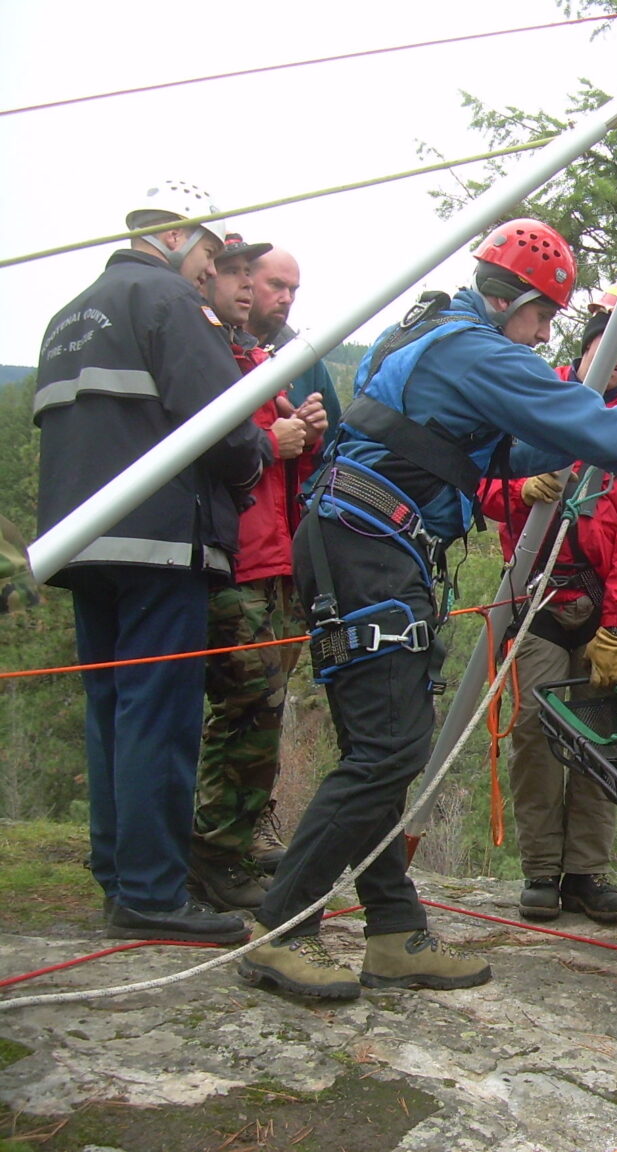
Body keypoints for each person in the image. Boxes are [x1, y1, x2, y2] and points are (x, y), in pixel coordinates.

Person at [238, 219, 617, 1002]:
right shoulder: (472, 350)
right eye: (542, 316)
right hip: (367, 547)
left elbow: (513, 446)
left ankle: (394, 930)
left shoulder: (431, 336)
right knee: (387, 750)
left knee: (385, 744)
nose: (545, 335)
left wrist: (610, 437)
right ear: (508, 299)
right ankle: (283, 927)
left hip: (361, 541)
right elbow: (584, 424)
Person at [32, 181, 268, 944]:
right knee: (159, 717)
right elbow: (224, 423)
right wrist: (259, 458)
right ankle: (153, 893)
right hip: (163, 541)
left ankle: (119, 877)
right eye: (210, 255)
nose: (211, 271)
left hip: (79, 542)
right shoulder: (170, 302)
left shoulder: (67, 317)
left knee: (110, 711)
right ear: (175, 237)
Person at [478, 283, 617, 925]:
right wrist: (515, 490)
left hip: (601, 608)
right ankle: (541, 869)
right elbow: (478, 478)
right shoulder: (534, 399)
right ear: (591, 338)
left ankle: (586, 871)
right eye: (616, 341)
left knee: (597, 736)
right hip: (537, 598)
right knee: (534, 732)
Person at [190, 235, 328, 911]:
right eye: (242, 274)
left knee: (261, 710)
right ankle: (214, 852)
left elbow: (290, 460)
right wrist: (274, 441)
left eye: (263, 278)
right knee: (246, 706)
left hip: (275, 554)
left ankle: (236, 839)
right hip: (235, 558)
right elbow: (216, 449)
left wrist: (307, 435)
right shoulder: (209, 355)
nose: (256, 289)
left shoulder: (262, 359)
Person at [247, 247, 342, 452]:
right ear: (246, 281)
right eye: (276, 285)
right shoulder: (216, 350)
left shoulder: (303, 360)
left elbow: (333, 446)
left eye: (293, 290)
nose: (287, 298)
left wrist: (308, 439)